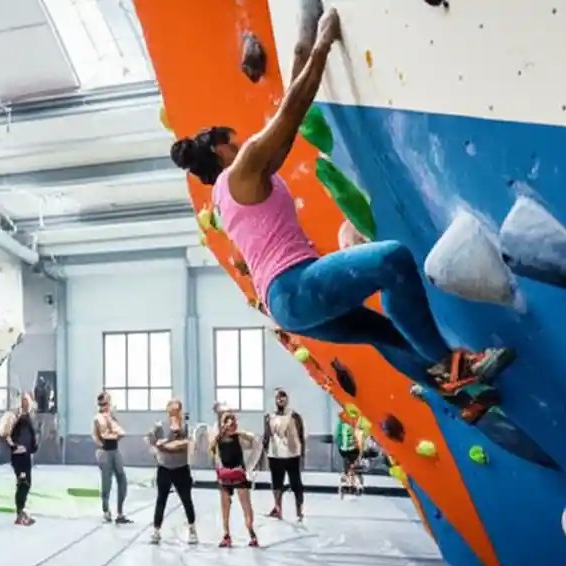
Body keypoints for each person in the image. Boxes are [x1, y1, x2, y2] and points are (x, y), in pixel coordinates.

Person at [169, 8, 511, 391]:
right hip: (295, 287)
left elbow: (287, 118)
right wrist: (323, 45)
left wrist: (302, 48)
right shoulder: (242, 170)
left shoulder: (231, 194)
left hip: (287, 305)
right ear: (220, 149)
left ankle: (460, 396)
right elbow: (292, 110)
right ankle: (453, 367)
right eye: (233, 139)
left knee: (381, 331)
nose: (243, 141)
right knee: (393, 260)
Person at [148, 398, 198, 545]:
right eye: (171, 410)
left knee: (186, 500)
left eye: (177, 410)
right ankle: (156, 530)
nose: (174, 413)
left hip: (181, 468)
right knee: (161, 500)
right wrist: (159, 446)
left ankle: (192, 529)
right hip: (164, 468)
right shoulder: (161, 426)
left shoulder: (185, 427)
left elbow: (186, 444)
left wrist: (169, 446)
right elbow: (153, 441)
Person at [210, 411, 261, 548]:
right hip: (224, 476)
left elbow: (256, 442)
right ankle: (226, 535)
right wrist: (218, 471)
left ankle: (251, 533)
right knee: (225, 506)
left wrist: (249, 467)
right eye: (228, 422)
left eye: (233, 422)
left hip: (239, 474)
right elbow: (213, 455)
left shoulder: (240, 438)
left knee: (246, 505)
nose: (231, 425)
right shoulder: (217, 439)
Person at [262, 389, 306, 521]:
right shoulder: (269, 417)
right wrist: (263, 453)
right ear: (274, 400)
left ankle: (299, 511)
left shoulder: (294, 416)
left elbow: (301, 434)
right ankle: (278, 508)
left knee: (296, 483)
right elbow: (266, 436)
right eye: (278, 398)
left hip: (292, 454)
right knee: (276, 483)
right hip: (275, 455)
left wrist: (302, 452)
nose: (280, 400)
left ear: (286, 400)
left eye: (283, 397)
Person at [0, 392, 38, 526]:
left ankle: (22, 511)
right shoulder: (14, 416)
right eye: (24, 401)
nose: (27, 404)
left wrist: (33, 447)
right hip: (18, 456)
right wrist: (14, 447)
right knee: (22, 482)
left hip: (26, 455)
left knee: (27, 483)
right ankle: (20, 513)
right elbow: (4, 433)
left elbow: (30, 435)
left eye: (28, 401)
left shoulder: (28, 417)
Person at [93, 392, 131, 524]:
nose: (106, 407)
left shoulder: (112, 417)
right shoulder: (98, 418)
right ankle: (106, 510)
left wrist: (114, 431)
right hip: (105, 451)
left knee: (122, 479)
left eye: (107, 404)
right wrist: (106, 440)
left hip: (115, 450)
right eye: (103, 404)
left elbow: (121, 433)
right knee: (106, 482)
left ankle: (120, 512)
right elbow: (100, 436)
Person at [335, 413, 363, 497]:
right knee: (351, 465)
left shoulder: (343, 419)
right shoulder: (355, 418)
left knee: (350, 465)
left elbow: (338, 434)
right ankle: (349, 482)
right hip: (349, 448)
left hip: (348, 448)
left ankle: (349, 482)